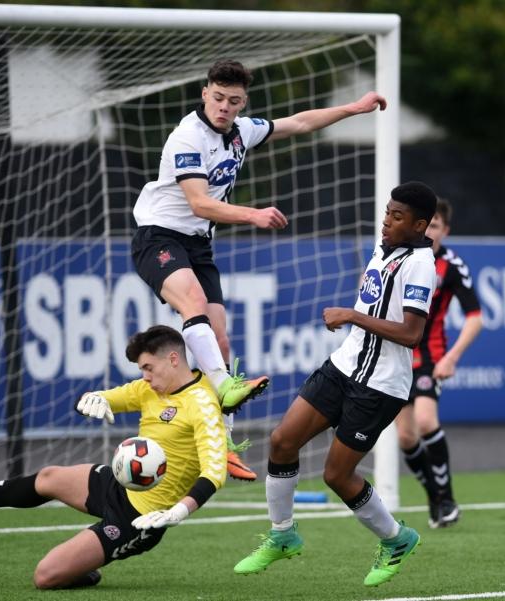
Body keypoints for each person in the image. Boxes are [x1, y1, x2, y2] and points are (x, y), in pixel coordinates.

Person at [131, 59, 387, 481]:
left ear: (242, 101)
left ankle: (224, 443)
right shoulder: (186, 137)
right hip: (159, 237)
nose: (224, 107)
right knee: (193, 304)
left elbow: (300, 123)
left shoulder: (241, 132)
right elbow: (198, 202)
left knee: (220, 339)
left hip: (197, 244)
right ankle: (224, 387)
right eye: (217, 98)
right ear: (204, 94)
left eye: (233, 101)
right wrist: (253, 215)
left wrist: (354, 108)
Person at [233, 182, 437, 587]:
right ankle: (282, 534)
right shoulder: (385, 248)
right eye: (387, 212)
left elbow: (412, 334)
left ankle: (397, 539)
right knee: (282, 441)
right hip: (343, 366)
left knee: (337, 476)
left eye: (397, 217)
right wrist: (356, 319)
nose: (386, 221)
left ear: (418, 225)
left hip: (379, 386)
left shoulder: (421, 266)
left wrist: (352, 315)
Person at [0, 325, 227, 589]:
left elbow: (214, 472)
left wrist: (180, 511)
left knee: (45, 576)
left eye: (148, 368)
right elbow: (97, 398)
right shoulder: (147, 389)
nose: (145, 377)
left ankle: (79, 569)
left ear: (174, 359)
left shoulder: (201, 404)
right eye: (142, 370)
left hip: (140, 518)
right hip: (118, 483)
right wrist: (91, 401)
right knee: (49, 477)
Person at [396, 198, 482, 528]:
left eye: (436, 226)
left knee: (426, 419)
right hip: (398, 358)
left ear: (445, 231)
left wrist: (451, 357)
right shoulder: (400, 256)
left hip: (431, 357)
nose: (429, 231)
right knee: (405, 437)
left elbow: (475, 317)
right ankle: (435, 495)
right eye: (426, 224)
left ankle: (446, 499)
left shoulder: (452, 266)